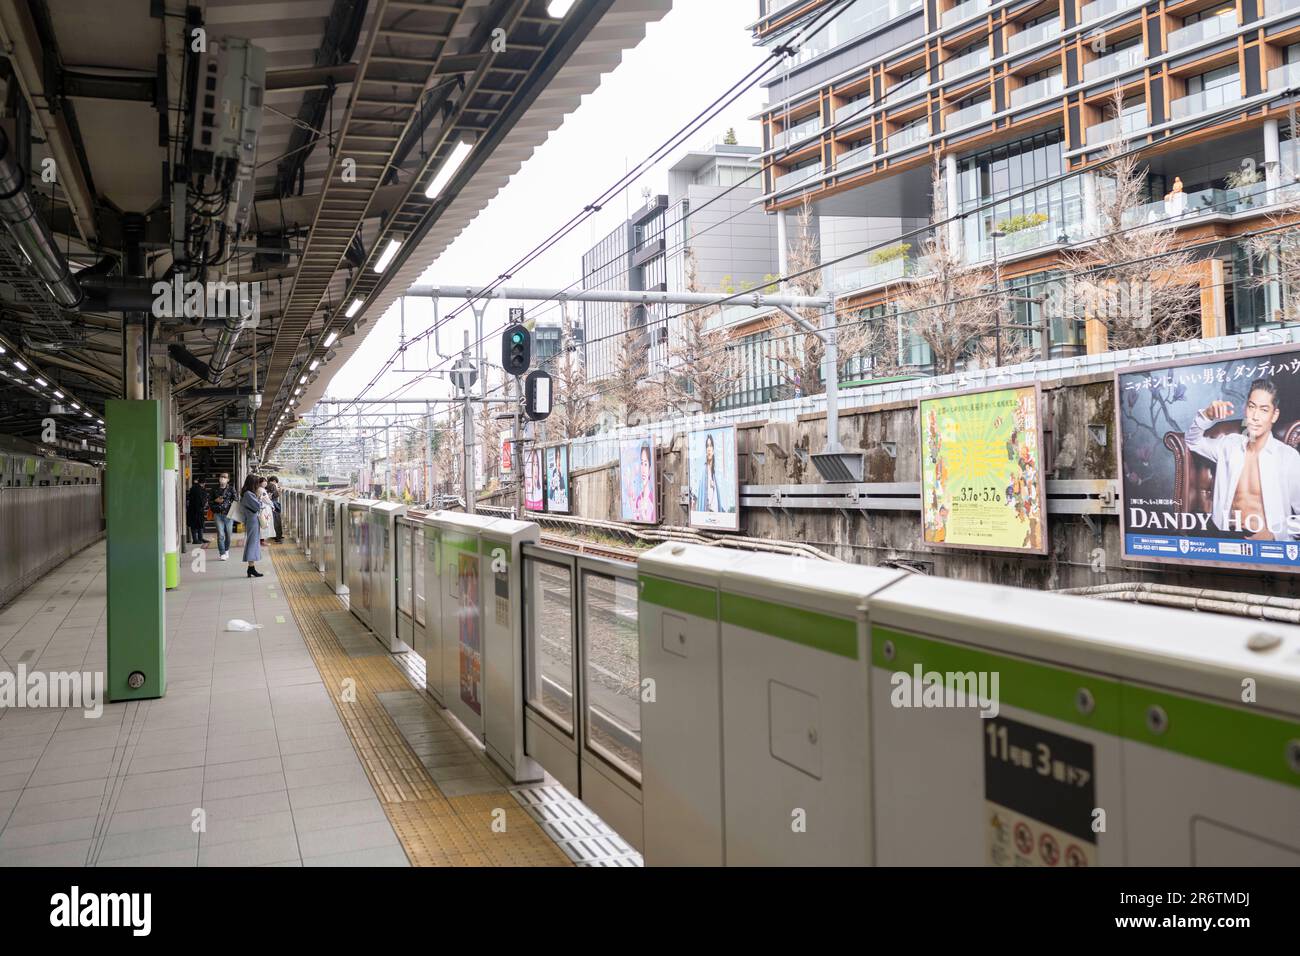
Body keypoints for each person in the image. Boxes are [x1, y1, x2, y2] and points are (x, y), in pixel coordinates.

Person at [1186, 377, 1300, 540]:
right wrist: (1206, 415)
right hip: (1224, 536)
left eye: (1264, 409)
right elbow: (1192, 441)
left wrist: (1273, 535)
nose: (1255, 416)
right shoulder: (1229, 445)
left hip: (1266, 543)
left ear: (1274, 415)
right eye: (1252, 407)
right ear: (1246, 408)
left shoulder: (1287, 458)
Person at [694, 433, 728, 514]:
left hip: (714, 511)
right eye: (707, 446)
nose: (708, 449)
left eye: (710, 445)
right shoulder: (704, 470)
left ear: (713, 449)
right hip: (707, 511)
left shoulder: (715, 472)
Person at [240, 474, 264, 576]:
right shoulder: (249, 494)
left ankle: (251, 568)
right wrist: (259, 496)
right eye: (257, 483)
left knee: (253, 542)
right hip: (252, 520)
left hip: (251, 519)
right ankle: (251, 568)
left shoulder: (247, 493)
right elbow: (258, 506)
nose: (258, 486)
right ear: (253, 483)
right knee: (252, 543)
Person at [210, 472, 236, 561]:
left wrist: (228, 504)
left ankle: (226, 549)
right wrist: (215, 501)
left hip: (228, 515)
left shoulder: (231, 489)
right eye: (221, 476)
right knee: (220, 535)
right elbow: (209, 502)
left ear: (228, 479)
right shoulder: (214, 489)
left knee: (228, 535)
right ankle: (222, 553)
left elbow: (236, 501)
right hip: (218, 514)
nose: (222, 478)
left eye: (225, 477)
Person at [633, 440, 655, 522]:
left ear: (650, 468)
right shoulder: (638, 499)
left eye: (645, 464)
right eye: (641, 463)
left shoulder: (652, 500)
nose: (643, 469)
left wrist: (644, 517)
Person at [186, 477, 209, 544]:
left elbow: (190, 496)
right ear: (204, 483)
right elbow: (201, 500)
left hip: (192, 509)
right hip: (198, 510)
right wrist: (204, 504)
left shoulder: (193, 488)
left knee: (194, 524)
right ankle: (197, 539)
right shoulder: (200, 489)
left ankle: (197, 539)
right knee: (199, 524)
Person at [257, 477, 274, 547]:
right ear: (260, 482)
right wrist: (272, 505)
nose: (265, 483)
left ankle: (262, 540)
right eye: (263, 481)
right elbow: (266, 499)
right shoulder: (261, 490)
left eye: (266, 481)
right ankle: (262, 541)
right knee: (264, 524)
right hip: (264, 509)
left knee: (263, 524)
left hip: (263, 509)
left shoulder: (260, 489)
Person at [268, 476, 284, 543]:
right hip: (274, 505)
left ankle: (276, 535)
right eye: (276, 482)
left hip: (272, 505)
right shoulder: (272, 485)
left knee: (274, 521)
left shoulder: (269, 486)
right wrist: (279, 491)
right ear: (274, 481)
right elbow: (274, 495)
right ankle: (278, 537)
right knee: (276, 521)